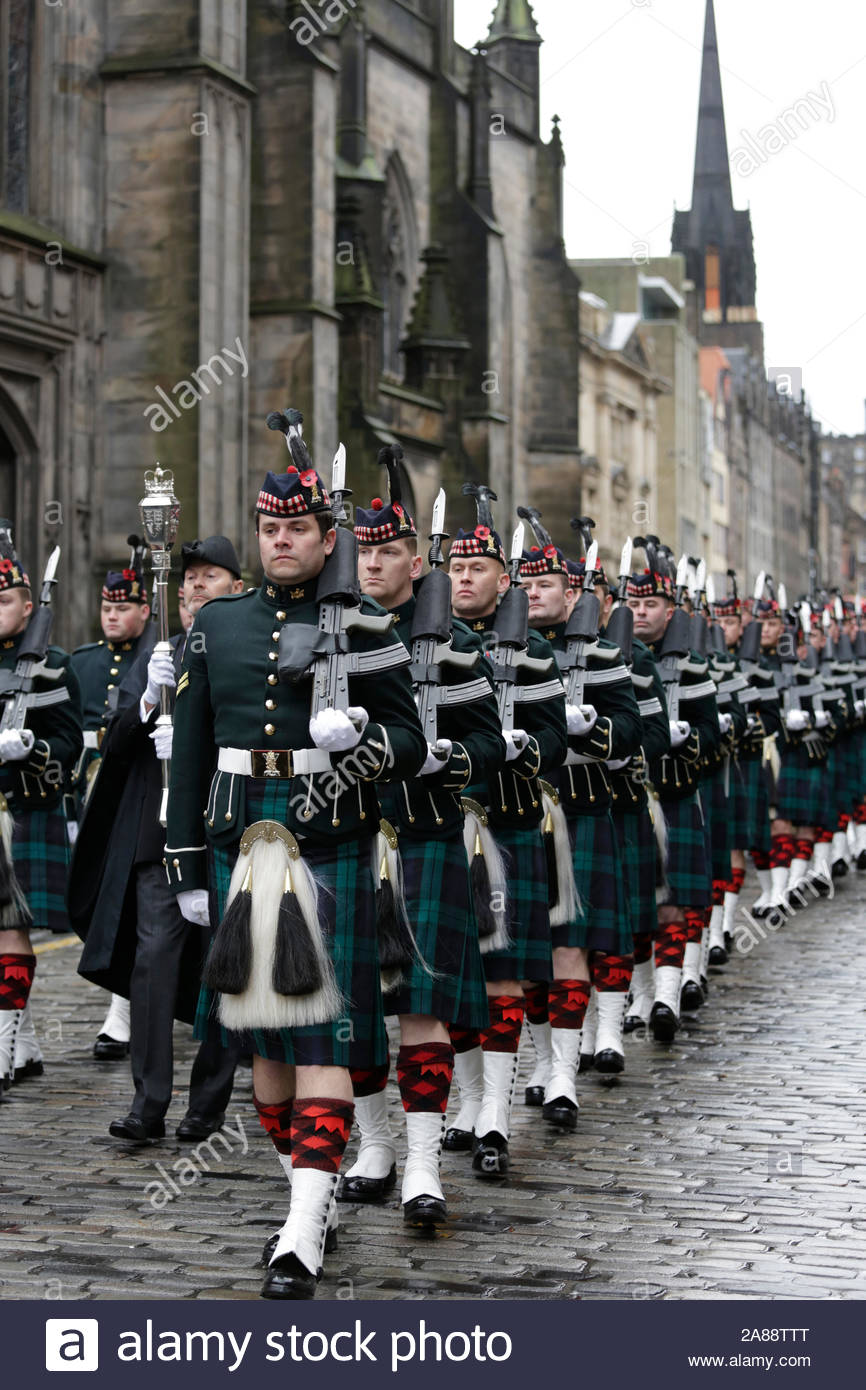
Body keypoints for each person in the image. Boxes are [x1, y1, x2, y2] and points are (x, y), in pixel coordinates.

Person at [165, 435, 426, 1299]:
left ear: (326, 536)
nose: (280, 541)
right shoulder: (217, 625)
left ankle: (302, 1228)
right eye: (269, 527)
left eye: (298, 528)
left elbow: (413, 741)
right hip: (245, 843)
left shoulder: (369, 624)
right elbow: (193, 752)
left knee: (323, 1037)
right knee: (264, 1051)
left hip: (334, 838)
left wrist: (364, 744)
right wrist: (186, 865)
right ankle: (305, 1191)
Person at [340, 462, 503, 1225]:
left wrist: (451, 761)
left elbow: (488, 744)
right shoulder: (327, 629)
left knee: (423, 1006)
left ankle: (425, 1163)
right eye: (364, 551)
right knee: (352, 1005)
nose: (372, 563)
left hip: (426, 833)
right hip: (337, 836)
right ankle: (373, 1146)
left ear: (416, 559)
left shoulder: (453, 642)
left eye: (388, 551)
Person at [72, 536, 246, 1142]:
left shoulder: (246, 646)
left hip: (226, 829)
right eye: (189, 578)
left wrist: (206, 746)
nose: (196, 588)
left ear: (237, 587)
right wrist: (148, 698)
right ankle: (148, 1103)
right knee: (153, 965)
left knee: (226, 969)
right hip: (159, 835)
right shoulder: (158, 652)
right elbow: (114, 741)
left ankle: (207, 1107)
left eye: (210, 577)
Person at [445, 508, 567, 1175]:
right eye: (456, 568)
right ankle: (468, 1099)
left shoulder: (534, 651)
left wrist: (529, 748)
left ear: (503, 579)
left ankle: (494, 1107)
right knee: (451, 968)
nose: (464, 579)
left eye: (477, 569)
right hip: (442, 821)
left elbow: (556, 737)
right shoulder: (428, 640)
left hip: (509, 818)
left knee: (501, 970)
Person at [518, 540, 641, 1111]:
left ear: (571, 594)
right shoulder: (503, 648)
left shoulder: (600, 654)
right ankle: (542, 1059)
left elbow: (631, 732)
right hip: (516, 810)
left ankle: (565, 1071)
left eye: (544, 586)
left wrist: (588, 730)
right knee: (526, 954)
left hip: (580, 807)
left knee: (569, 944)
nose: (532, 594)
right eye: (524, 585)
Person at [0, 522, 82, 1092]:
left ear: (29, 606)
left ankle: (2, 1045)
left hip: (23, 809)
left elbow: (70, 747)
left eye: (4, 600)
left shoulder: (52, 662)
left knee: (8, 931)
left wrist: (31, 750)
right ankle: (24, 1044)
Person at [626, 551, 721, 1043]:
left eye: (653, 602)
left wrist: (690, 737)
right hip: (628, 798)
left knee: (673, 901)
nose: (641, 611)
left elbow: (714, 732)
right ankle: (640, 995)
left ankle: (666, 993)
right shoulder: (614, 658)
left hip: (676, 791)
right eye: (635, 602)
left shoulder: (693, 666)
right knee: (639, 903)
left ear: (671, 609)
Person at [70, 551, 152, 1060]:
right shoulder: (83, 662)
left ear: (146, 609)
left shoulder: (159, 653)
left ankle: (123, 1012)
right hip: (92, 792)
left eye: (123, 608)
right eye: (106, 608)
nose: (113, 616)